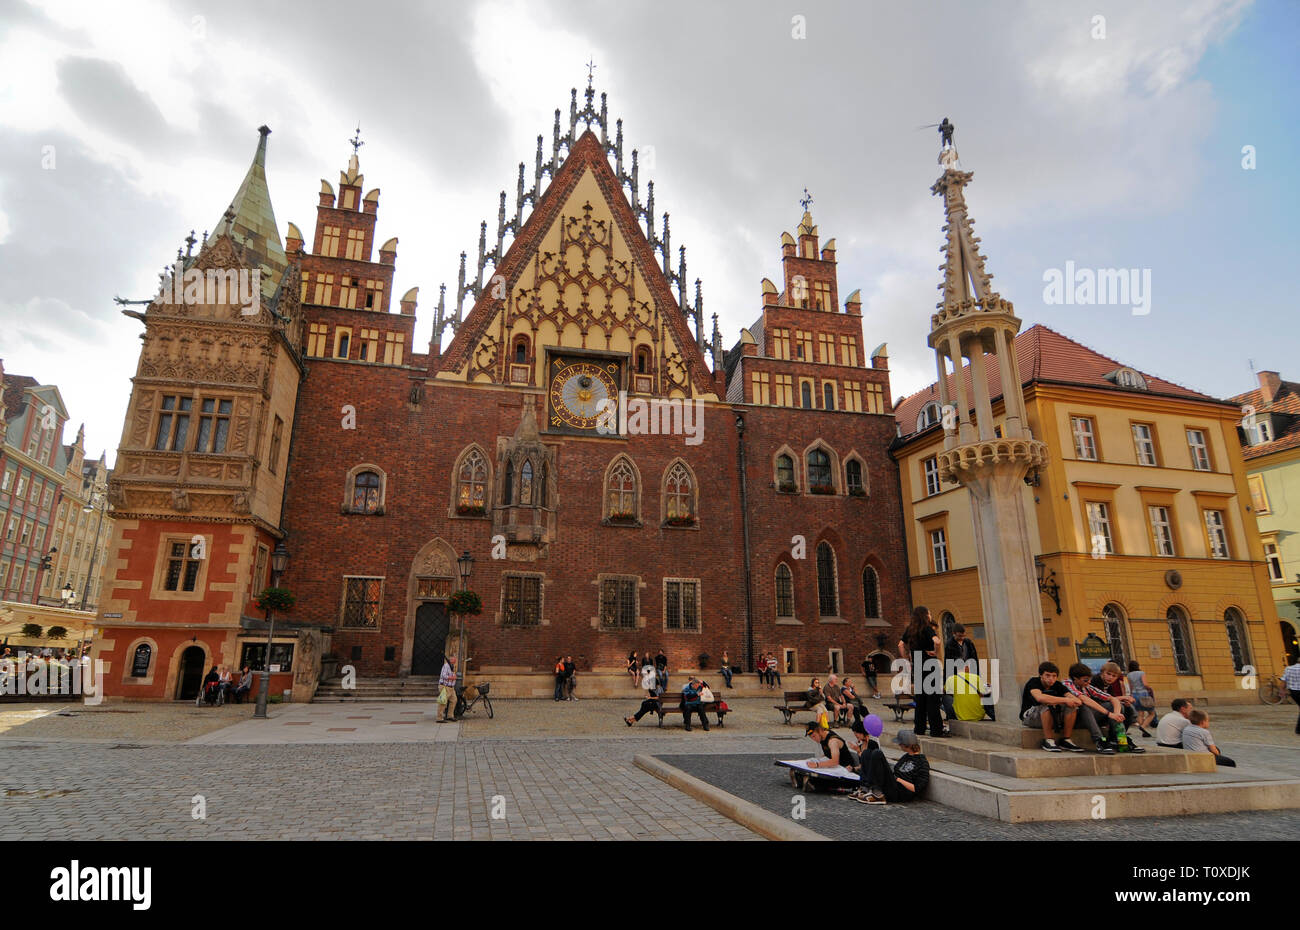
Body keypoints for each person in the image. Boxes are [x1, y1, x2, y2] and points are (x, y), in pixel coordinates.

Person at [1062, 664, 1144, 754]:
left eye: (1089, 679)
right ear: (1075, 678)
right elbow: (1084, 699)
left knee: (1119, 705)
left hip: (1091, 717)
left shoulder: (1087, 686)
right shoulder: (1067, 683)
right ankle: (1100, 740)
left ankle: (1120, 739)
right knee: (1084, 706)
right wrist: (1109, 714)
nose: (1089, 682)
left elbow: (1112, 699)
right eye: (1085, 680)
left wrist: (1116, 714)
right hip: (1074, 718)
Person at [898, 606, 946, 737]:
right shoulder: (927, 629)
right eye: (929, 614)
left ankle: (919, 728)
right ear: (925, 616)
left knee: (920, 699)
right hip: (929, 663)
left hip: (917, 664)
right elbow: (937, 641)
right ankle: (936, 730)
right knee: (933, 699)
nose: (930, 616)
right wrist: (935, 651)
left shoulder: (910, 630)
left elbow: (900, 645)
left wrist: (906, 658)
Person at [850, 729, 931, 805]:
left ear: (906, 745)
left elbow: (916, 788)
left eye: (900, 743)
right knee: (866, 753)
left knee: (877, 753)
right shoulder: (906, 756)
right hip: (893, 784)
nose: (899, 745)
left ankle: (878, 794)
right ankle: (865, 788)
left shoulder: (922, 762)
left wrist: (898, 779)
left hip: (901, 792)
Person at [1020, 660, 1084, 752]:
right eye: (1047, 675)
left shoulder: (1058, 685)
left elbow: (1077, 701)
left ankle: (1066, 740)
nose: (1051, 679)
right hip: (1031, 718)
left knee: (1072, 706)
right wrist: (1065, 700)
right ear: (1041, 675)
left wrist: (1069, 700)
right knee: (1047, 705)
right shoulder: (1034, 682)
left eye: (1054, 676)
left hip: (1054, 717)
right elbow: (1039, 698)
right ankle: (1048, 740)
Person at [1095, 661, 1142, 740]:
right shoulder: (1097, 680)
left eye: (1114, 676)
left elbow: (1113, 698)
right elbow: (1103, 699)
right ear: (1102, 673)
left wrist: (1123, 701)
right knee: (1118, 707)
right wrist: (1124, 697)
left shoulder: (1109, 685)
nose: (1111, 677)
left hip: (1105, 707)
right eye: (1108, 674)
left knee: (1129, 709)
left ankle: (1122, 734)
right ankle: (1117, 737)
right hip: (1096, 709)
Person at [1126, 660, 1156, 736]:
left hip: (1135, 695)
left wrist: (1131, 695)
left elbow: (1130, 687)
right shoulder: (1141, 673)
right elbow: (1145, 684)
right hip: (1143, 694)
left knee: (1140, 713)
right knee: (1152, 713)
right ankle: (1143, 727)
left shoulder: (1129, 675)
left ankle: (1143, 731)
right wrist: (1149, 688)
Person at [438, 655, 458, 721]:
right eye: (454, 660)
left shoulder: (452, 666)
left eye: (455, 660)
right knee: (443, 702)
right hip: (445, 687)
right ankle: (439, 718)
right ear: (451, 660)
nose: (455, 661)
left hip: (451, 688)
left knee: (454, 700)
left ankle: (450, 716)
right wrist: (452, 678)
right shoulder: (446, 666)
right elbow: (443, 675)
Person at [1284, 656, 1300, 735]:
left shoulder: (1288, 668)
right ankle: (1298, 729)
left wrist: (1282, 690)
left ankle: (1298, 729)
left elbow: (1283, 680)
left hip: (1293, 692)